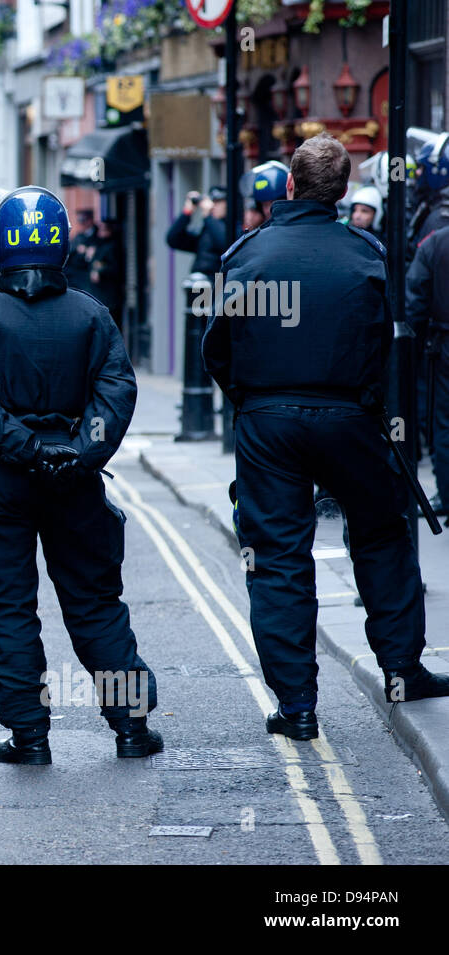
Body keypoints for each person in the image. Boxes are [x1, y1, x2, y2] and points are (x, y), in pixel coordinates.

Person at [203, 133, 449, 741]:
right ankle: (401, 670)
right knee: (383, 536)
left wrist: (250, 403)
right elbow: (384, 345)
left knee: (278, 558)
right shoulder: (365, 252)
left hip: (269, 420)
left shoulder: (245, 254)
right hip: (350, 418)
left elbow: (216, 348)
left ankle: (298, 707)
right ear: (342, 192)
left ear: (289, 185)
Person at [0, 185, 160, 765]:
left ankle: (29, 735)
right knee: (94, 600)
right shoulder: (92, 314)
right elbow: (116, 392)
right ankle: (131, 728)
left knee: (6, 604)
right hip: (73, 479)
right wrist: (77, 454)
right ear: (62, 244)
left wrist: (25, 448)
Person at [408, 223, 449, 515]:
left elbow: (415, 304)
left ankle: (447, 496)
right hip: (441, 341)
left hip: (443, 344)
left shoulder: (435, 244)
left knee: (444, 423)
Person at [165, 186, 229, 276]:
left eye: (218, 202)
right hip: (199, 284)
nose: (213, 206)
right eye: (212, 202)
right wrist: (187, 211)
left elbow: (224, 242)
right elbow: (173, 239)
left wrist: (208, 216)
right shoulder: (207, 229)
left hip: (220, 282)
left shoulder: (232, 226)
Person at [65, 208, 97, 291]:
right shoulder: (79, 236)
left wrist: (86, 251)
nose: (81, 224)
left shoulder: (97, 236)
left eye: (83, 220)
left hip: (86, 273)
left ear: (90, 220)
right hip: (74, 273)